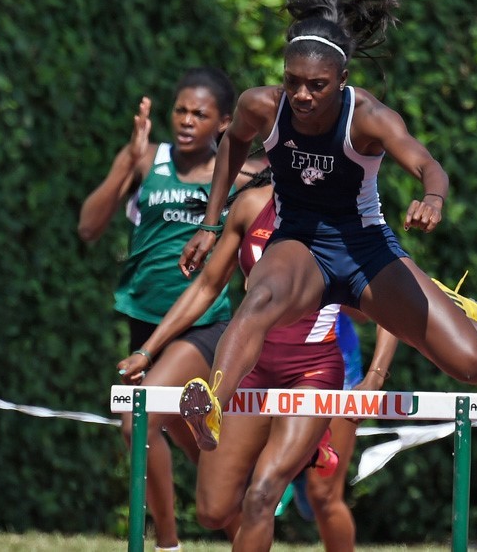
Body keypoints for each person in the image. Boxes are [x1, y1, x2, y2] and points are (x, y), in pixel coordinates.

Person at [177, 0, 477, 463]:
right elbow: (233, 144)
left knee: (474, 367)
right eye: (293, 82)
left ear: (343, 82)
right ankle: (212, 403)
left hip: (365, 249)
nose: (302, 97)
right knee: (259, 296)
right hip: (299, 245)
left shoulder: (368, 116)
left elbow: (427, 164)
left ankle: (446, 299)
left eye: (317, 86)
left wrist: (431, 200)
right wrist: (210, 223)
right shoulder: (262, 106)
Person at [118, 167, 377, 549]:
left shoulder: (347, 213)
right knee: (212, 510)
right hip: (251, 368)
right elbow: (207, 285)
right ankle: (304, 453)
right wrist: (148, 349)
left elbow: (387, 308)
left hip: (315, 368)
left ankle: (311, 447)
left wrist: (376, 375)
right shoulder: (251, 206)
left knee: (287, 497)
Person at [78, 67, 258, 551]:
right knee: (199, 458)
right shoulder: (147, 159)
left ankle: (166, 543)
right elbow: (89, 228)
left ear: (224, 123)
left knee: (138, 420)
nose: (186, 120)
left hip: (201, 326)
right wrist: (125, 164)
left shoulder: (238, 174)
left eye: (200, 114)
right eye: (180, 109)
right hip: (143, 322)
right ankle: (251, 530)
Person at [293, 308, 398, 551]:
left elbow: (365, 312)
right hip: (274, 366)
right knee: (241, 492)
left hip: (337, 369)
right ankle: (296, 469)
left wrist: (328, 288)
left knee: (322, 494)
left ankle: (300, 469)